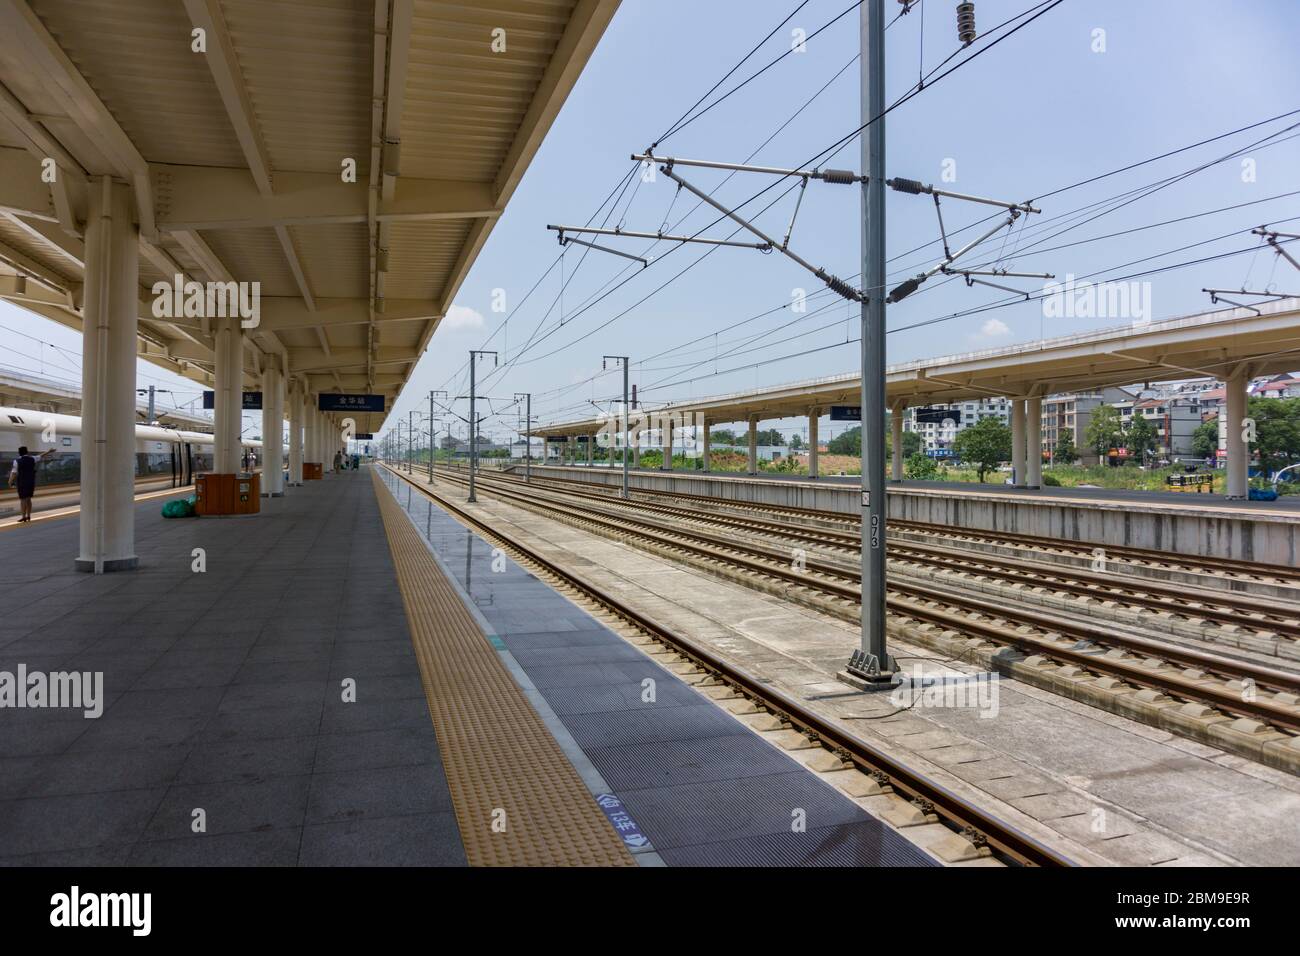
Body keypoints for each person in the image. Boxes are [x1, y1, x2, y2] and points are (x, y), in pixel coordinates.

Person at [8, 445, 56, 523]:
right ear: (27, 452)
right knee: (28, 499)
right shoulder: (32, 458)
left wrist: (10, 482)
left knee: (23, 499)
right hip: (31, 482)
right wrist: (49, 451)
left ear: (19, 453)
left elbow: (14, 473)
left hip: (22, 482)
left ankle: (23, 517)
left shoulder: (16, 461)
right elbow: (41, 456)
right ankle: (29, 516)